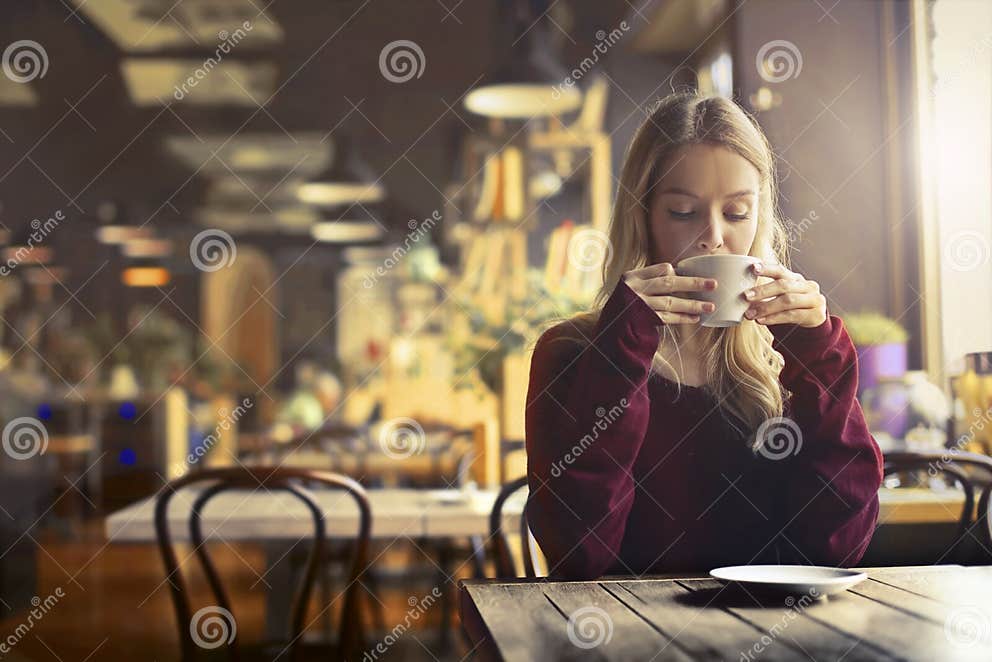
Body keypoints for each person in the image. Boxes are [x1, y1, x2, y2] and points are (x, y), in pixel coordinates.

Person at [525, 92, 883, 580]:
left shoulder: (789, 356)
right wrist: (622, 346)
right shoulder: (572, 354)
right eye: (682, 212)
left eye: (736, 213)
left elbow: (838, 547)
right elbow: (579, 555)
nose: (713, 236)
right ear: (643, 216)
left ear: (759, 220)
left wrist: (819, 354)